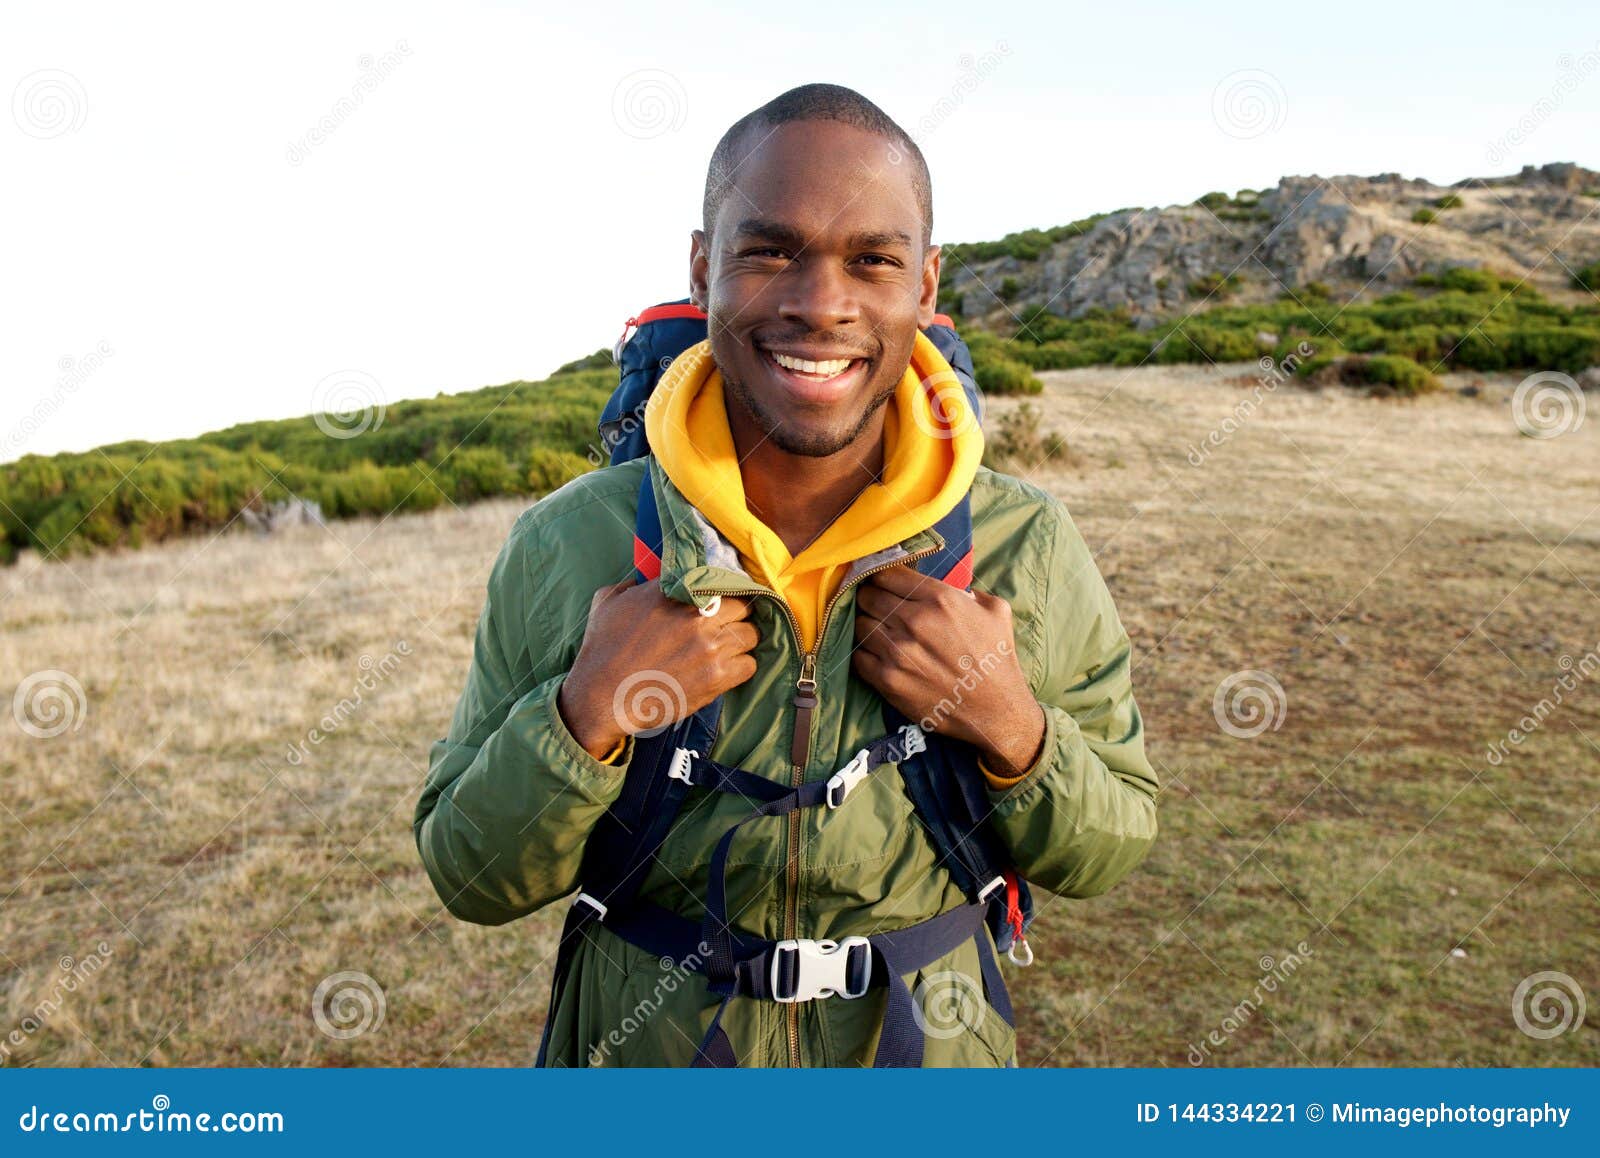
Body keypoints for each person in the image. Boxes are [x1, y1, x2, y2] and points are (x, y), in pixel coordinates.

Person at [413, 82, 1158, 1067]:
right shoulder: (572, 541)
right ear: (700, 266)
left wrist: (1011, 725)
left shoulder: (1024, 541)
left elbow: (1108, 848)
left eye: (871, 261)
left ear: (925, 286)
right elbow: (471, 876)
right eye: (770, 252)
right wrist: (585, 711)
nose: (819, 305)